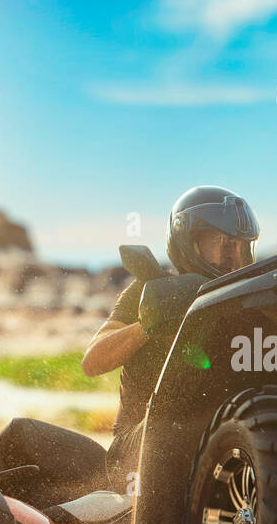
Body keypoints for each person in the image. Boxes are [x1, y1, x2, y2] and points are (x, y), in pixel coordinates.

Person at [82, 186, 259, 488]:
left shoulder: (248, 299)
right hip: (137, 447)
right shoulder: (148, 290)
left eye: (240, 245)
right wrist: (149, 324)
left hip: (220, 438)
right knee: (177, 429)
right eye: (221, 242)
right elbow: (93, 361)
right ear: (189, 242)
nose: (233, 254)